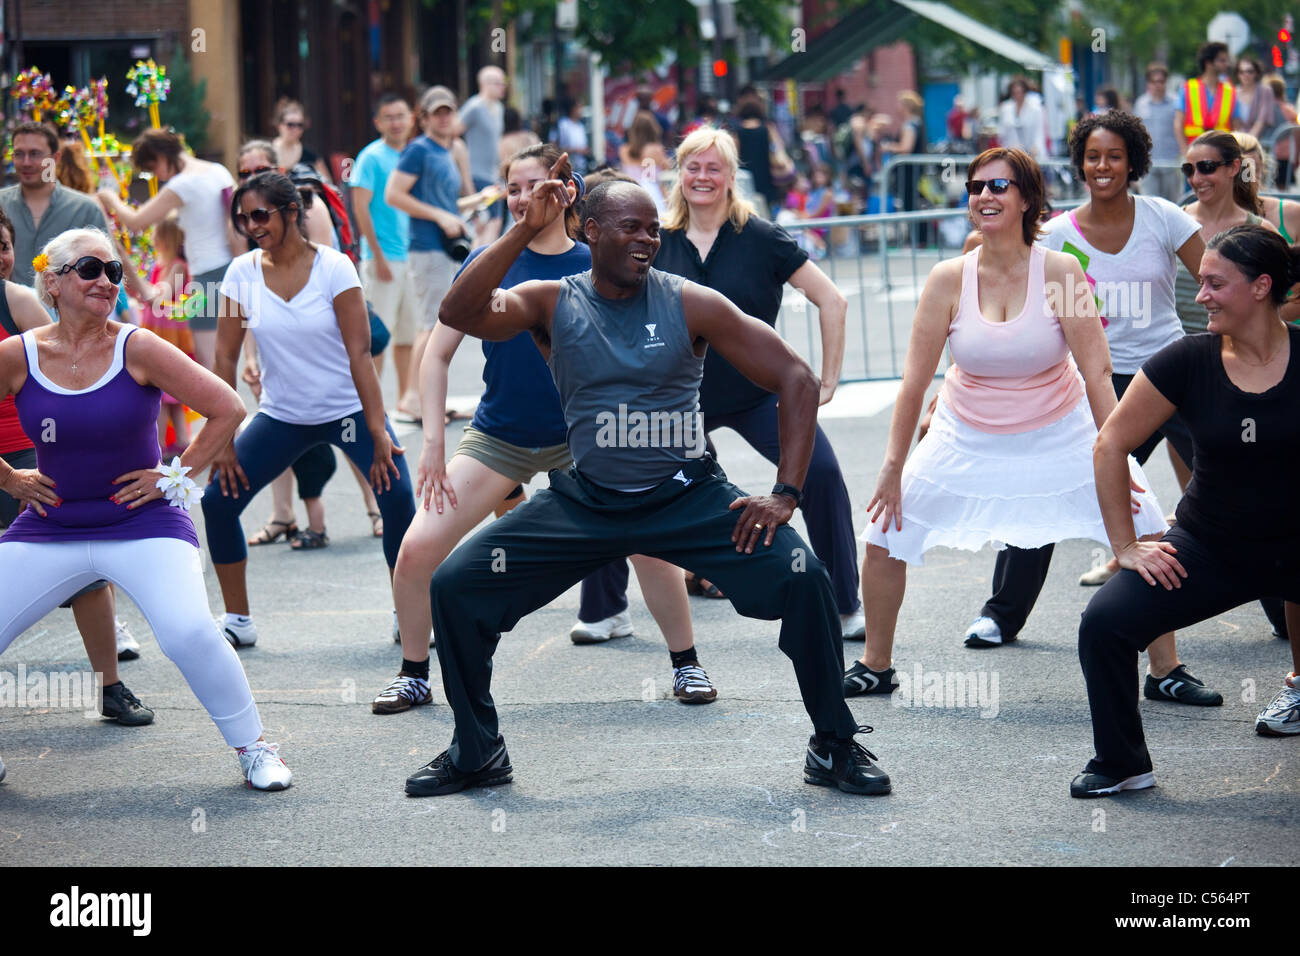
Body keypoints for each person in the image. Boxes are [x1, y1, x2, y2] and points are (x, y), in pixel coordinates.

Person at [404, 170, 889, 798]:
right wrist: (523, 227)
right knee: (456, 586)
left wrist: (785, 493)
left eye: (654, 230)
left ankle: (834, 744)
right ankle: (477, 753)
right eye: (632, 227)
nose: (648, 240)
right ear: (591, 229)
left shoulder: (690, 301)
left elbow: (795, 377)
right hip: (587, 503)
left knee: (803, 578)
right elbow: (459, 310)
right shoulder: (551, 299)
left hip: (686, 497)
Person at [374, 144, 711, 715]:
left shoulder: (596, 261)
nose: (523, 197)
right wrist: (432, 444)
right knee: (417, 548)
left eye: (537, 185)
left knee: (651, 550)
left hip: (586, 441)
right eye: (512, 187)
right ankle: (413, 673)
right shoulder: (486, 263)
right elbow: (435, 354)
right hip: (500, 436)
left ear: (568, 192)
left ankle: (687, 663)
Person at [845, 147, 1168, 698]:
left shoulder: (1061, 270)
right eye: (976, 187)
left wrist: (1120, 457)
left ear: (1026, 199)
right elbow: (914, 381)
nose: (985, 196)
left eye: (999, 186)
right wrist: (892, 467)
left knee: (1147, 524)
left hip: (1059, 424)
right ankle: (876, 664)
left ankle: (1167, 671)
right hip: (965, 430)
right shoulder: (948, 278)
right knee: (882, 534)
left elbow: (1097, 373)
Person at [0, 226, 292, 789]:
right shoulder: (19, 354)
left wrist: (172, 476)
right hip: (51, 525)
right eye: (91, 269)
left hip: (144, 523)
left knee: (188, 631)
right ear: (53, 282)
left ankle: (255, 748)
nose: (107, 282)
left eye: (114, 272)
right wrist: (10, 478)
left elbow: (227, 408)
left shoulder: (138, 345)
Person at [958, 115, 1218, 703]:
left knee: (1231, 479)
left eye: (1115, 156)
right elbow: (990, 255)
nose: (1103, 166)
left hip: (1170, 373)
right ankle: (1001, 615)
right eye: (1093, 156)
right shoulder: (1054, 235)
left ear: (1134, 162)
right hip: (1093, 380)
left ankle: (1279, 608)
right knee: (1045, 490)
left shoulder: (1163, 217)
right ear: (1080, 162)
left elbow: (1217, 279)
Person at [1072, 224, 1300, 798]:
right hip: (1209, 546)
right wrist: (1126, 546)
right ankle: (1122, 763)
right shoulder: (1187, 360)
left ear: (1260, 287)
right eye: (1199, 283)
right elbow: (1109, 444)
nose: (1200, 296)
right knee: (1104, 623)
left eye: (1215, 284)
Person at [611, 127, 863, 639]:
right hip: (679, 400)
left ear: (730, 177)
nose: (702, 177)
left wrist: (829, 380)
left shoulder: (763, 237)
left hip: (757, 393)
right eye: (692, 167)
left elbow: (832, 299)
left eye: (713, 168)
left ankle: (843, 601)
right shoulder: (657, 238)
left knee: (822, 474)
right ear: (678, 174)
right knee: (615, 478)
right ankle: (605, 611)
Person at [201, 172, 416, 648]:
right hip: (282, 417)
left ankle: (411, 614)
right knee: (217, 502)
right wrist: (222, 440)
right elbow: (224, 359)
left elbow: (361, 354)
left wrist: (379, 431)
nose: (251, 226)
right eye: (243, 218)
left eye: (261, 214)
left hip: (347, 411)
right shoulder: (242, 274)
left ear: (292, 212)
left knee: (399, 499)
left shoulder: (335, 268)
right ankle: (238, 621)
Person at [0, 210, 151, 718]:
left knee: (85, 571)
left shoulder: (15, 300)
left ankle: (109, 687)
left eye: (3, 245)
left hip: (29, 453)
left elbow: (70, 364)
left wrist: (14, 475)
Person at [232, 142, 385, 551]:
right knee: (279, 437)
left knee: (368, 452)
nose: (249, 176)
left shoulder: (306, 209)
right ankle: (283, 514)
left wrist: (378, 426)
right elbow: (251, 307)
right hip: (285, 387)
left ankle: (376, 505)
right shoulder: (253, 226)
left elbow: (328, 287)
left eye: (258, 168)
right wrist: (252, 358)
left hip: (332, 363)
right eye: (242, 171)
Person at [384, 86, 492, 424]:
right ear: (425, 117)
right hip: (426, 248)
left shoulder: (450, 149)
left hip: (447, 247)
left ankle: (429, 398)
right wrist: (439, 217)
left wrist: (479, 200)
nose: (444, 118)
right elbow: (393, 195)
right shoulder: (418, 150)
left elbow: (450, 206)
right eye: (437, 113)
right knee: (431, 324)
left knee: (440, 322)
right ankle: (412, 401)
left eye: (449, 112)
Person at [97, 129, 238, 371]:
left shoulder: (182, 184)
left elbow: (136, 221)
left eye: (153, 169)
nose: (158, 176)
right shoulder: (217, 170)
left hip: (206, 277)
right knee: (227, 357)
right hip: (231, 269)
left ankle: (221, 410)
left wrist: (109, 198)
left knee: (209, 362)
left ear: (161, 157)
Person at [1, 123, 112, 288]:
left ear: (55, 158)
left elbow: (107, 270)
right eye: (19, 154)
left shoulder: (85, 209)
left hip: (66, 313)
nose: (26, 162)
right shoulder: (2, 204)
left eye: (35, 154)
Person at [120, 215, 193, 457]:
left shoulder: (178, 266)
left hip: (170, 335)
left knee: (162, 391)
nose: (152, 239)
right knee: (170, 397)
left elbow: (160, 295)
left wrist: (144, 286)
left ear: (167, 238)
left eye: (157, 235)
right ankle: (181, 441)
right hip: (159, 331)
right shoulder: (161, 266)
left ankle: (160, 445)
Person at [458, 67, 508, 245]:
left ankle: (486, 265)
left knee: (495, 222)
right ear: (484, 84)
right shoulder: (474, 107)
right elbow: (453, 132)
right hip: (477, 174)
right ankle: (478, 264)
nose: (502, 86)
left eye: (504, 82)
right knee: (482, 224)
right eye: (498, 83)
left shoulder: (499, 108)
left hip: (493, 175)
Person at [1174, 42, 1239, 157]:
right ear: (1209, 63)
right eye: (1222, 60)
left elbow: (1236, 126)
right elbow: (1178, 123)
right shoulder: (1188, 88)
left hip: (1221, 154)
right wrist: (1185, 152)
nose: (1227, 64)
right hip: (1194, 151)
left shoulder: (1230, 91)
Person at [1133, 64, 1184, 203]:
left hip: (1171, 162)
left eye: (1161, 81)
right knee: (1150, 205)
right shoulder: (1141, 103)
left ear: (1166, 82)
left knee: (1174, 205)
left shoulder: (1176, 103)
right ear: (1148, 83)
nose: (1157, 85)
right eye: (1154, 81)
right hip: (1149, 163)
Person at [619, 111, 672, 213]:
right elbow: (667, 167)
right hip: (651, 190)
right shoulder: (656, 149)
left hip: (629, 190)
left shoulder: (624, 150)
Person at [271, 97, 332, 185]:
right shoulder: (267, 153)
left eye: (299, 125)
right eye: (290, 125)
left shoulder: (311, 155)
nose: (295, 129)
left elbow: (328, 185)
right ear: (279, 125)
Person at [997, 77, 1045, 161]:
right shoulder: (1005, 108)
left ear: (1025, 92)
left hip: (1030, 155)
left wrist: (1036, 148)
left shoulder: (1035, 109)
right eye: (1014, 92)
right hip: (1011, 155)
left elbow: (1039, 132)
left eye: (1019, 92)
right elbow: (1002, 133)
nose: (1017, 95)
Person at [1233, 55, 1276, 141]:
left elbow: (1261, 119)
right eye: (1241, 72)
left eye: (1250, 71)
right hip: (1237, 139)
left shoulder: (1265, 91)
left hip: (1260, 140)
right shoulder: (1233, 92)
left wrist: (1249, 141)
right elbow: (1234, 121)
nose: (1246, 75)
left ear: (1256, 73)